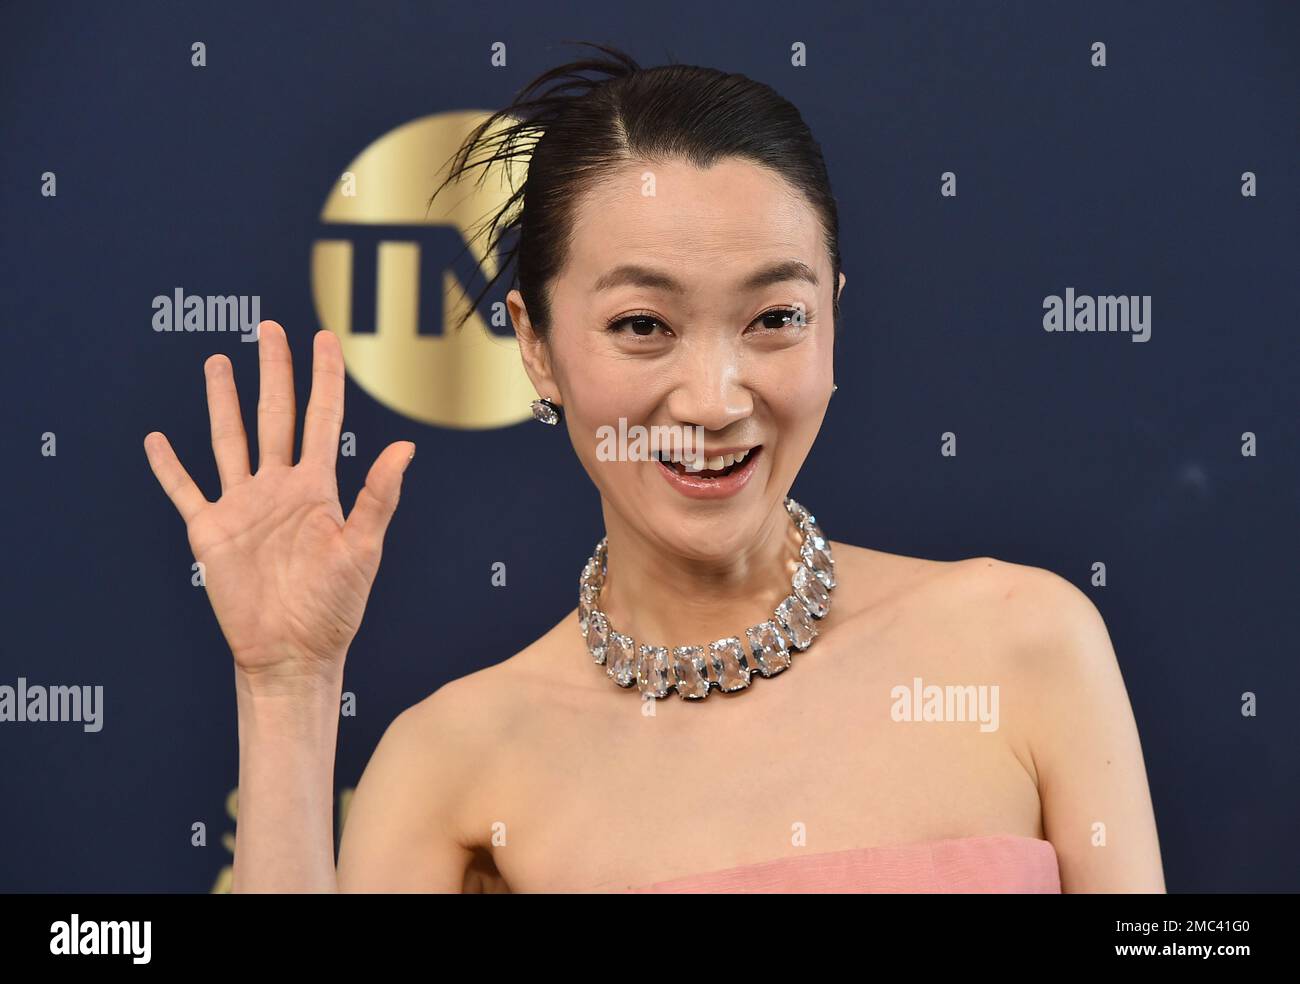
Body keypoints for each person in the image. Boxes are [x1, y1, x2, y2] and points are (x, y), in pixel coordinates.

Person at [143, 41, 1165, 893]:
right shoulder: (454, 762)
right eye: (642, 325)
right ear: (535, 345)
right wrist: (285, 690)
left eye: (775, 318)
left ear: (834, 320)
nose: (716, 399)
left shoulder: (1024, 646)